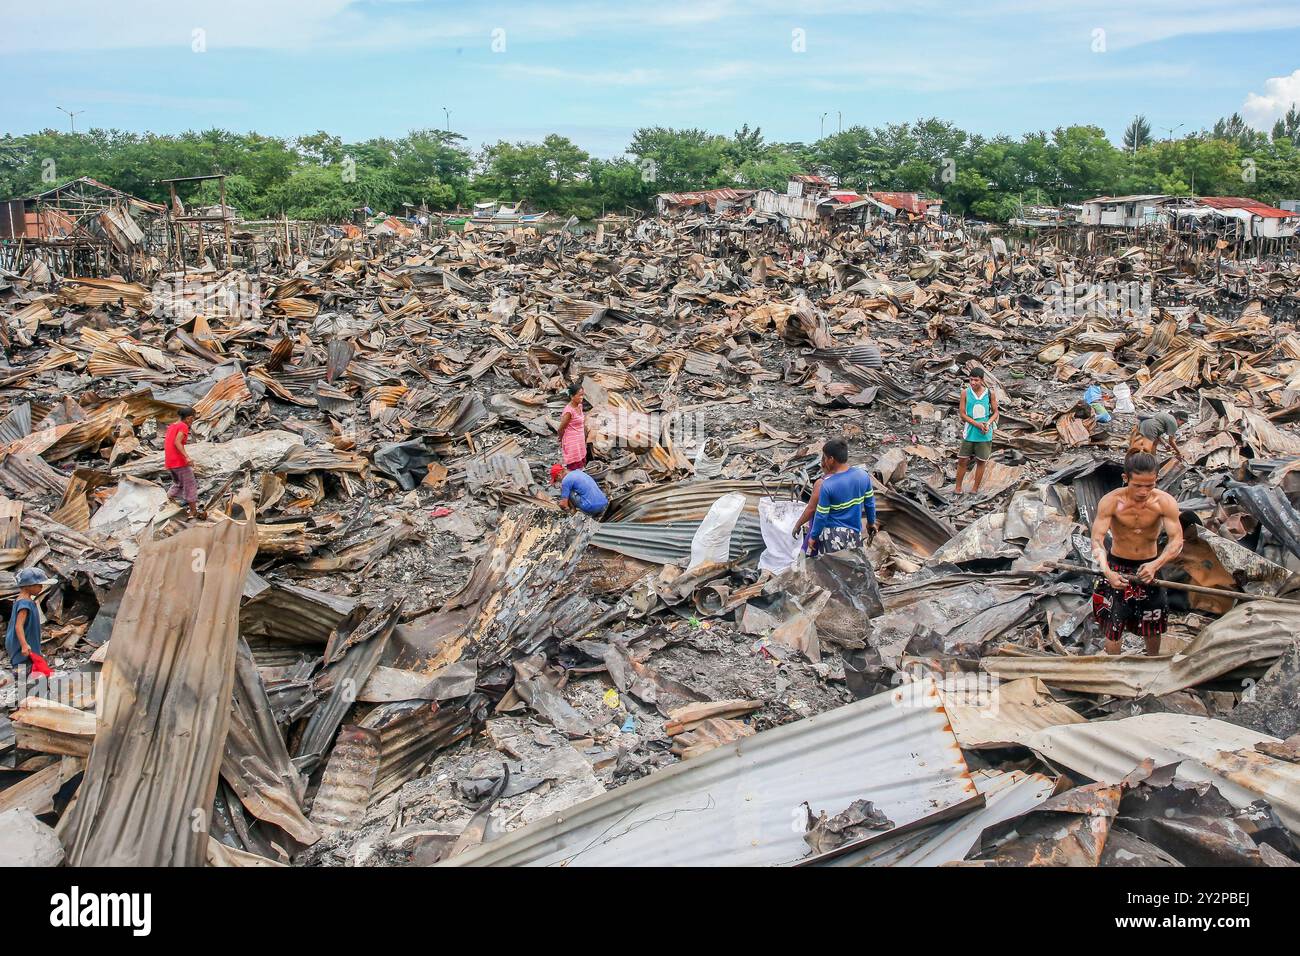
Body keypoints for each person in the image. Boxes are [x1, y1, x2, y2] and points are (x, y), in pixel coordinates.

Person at [1089, 452, 1184, 656]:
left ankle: (1152, 664)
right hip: (1117, 566)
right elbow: (1097, 540)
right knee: (1114, 625)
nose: (1143, 491)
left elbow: (1177, 540)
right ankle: (1114, 670)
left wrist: (1156, 565)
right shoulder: (1111, 501)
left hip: (1150, 566)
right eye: (1138, 485)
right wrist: (1107, 572)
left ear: (1156, 479)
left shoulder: (1164, 502)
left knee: (1153, 624)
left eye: (1149, 485)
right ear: (1126, 478)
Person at [792, 439, 877, 557]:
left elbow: (821, 515)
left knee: (831, 567)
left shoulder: (827, 485)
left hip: (833, 537)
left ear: (831, 459)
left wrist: (813, 536)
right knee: (851, 565)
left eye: (825, 457)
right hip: (854, 533)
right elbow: (870, 504)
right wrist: (871, 523)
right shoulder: (863, 476)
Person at [955, 367, 998, 494]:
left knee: (981, 461)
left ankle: (975, 489)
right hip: (970, 432)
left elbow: (995, 412)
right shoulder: (965, 393)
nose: (973, 383)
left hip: (985, 433)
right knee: (962, 460)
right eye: (971, 380)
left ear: (982, 380)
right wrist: (977, 424)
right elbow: (962, 414)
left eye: (976, 380)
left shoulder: (990, 394)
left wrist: (988, 423)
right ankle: (958, 488)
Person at [6, 567, 53, 676]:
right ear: (29, 586)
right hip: (21, 643)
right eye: (39, 585)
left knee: (29, 671)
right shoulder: (25, 603)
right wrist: (24, 645)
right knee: (23, 672)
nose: (41, 588)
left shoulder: (22, 600)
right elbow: (18, 626)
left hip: (24, 641)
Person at [165, 406, 202, 519]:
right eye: (193, 418)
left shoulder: (172, 426)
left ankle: (165, 502)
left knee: (178, 484)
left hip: (170, 461)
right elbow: (177, 442)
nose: (193, 421)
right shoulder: (183, 426)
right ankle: (193, 511)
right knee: (190, 485)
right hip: (179, 461)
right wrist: (187, 457)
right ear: (189, 418)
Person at [557, 384, 587, 472]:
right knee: (575, 468)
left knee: (582, 465)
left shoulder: (579, 406)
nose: (582, 397)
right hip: (572, 443)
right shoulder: (568, 412)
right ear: (572, 396)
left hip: (580, 441)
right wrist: (561, 440)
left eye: (583, 395)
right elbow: (561, 429)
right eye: (579, 395)